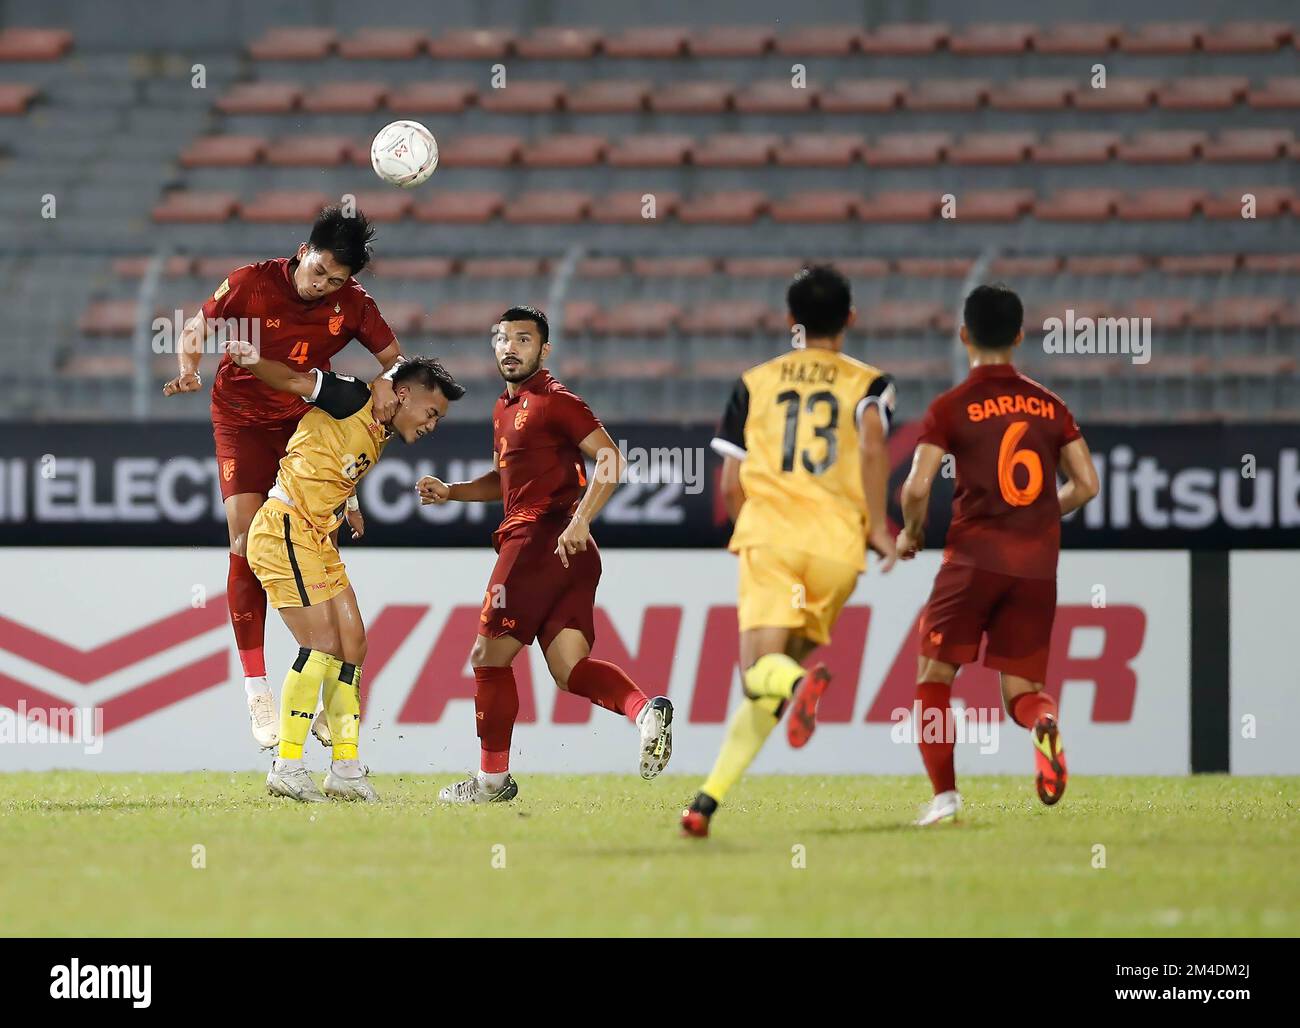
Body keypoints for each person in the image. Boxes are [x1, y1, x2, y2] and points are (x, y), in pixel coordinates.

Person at [162, 205, 405, 749]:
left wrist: (389, 379)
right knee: (248, 544)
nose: (323, 286)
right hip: (243, 421)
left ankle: (326, 705)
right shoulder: (252, 283)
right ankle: (257, 689)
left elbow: (395, 359)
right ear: (303, 251)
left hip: (304, 423)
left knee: (312, 548)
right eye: (319, 271)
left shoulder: (355, 305)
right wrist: (188, 367)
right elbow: (198, 325)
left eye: (337, 280)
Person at [417, 306, 673, 803]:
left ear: (544, 349)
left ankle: (491, 782)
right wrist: (452, 492)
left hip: (539, 540)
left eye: (523, 339)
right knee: (570, 669)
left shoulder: (557, 402)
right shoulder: (503, 410)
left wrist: (581, 519)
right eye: (502, 339)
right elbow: (503, 482)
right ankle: (646, 711)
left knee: (487, 656)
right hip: (570, 553)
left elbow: (611, 460)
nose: (510, 348)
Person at [681, 265, 898, 838]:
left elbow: (730, 483)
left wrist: (749, 526)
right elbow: (874, 446)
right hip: (837, 549)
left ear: (790, 321)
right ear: (850, 318)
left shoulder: (754, 382)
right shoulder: (871, 384)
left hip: (773, 537)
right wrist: (878, 524)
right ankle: (706, 802)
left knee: (761, 674)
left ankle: (802, 687)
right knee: (771, 680)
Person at [895, 284, 1099, 826]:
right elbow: (1088, 483)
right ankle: (1044, 723)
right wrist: (1038, 514)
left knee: (934, 675)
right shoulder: (1050, 405)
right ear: (1019, 335)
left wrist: (912, 532)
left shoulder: (951, 406)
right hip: (1036, 567)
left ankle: (945, 797)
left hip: (972, 560)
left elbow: (917, 488)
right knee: (1023, 693)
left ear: (964, 335)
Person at [225, 340, 464, 802]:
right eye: (431, 412)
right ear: (406, 395)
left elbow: (333, 457)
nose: (432, 425)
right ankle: (287, 766)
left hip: (318, 536)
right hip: (285, 528)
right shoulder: (353, 396)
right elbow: (297, 382)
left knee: (354, 645)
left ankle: (345, 770)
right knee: (321, 646)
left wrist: (350, 502)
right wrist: (252, 358)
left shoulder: (383, 426)